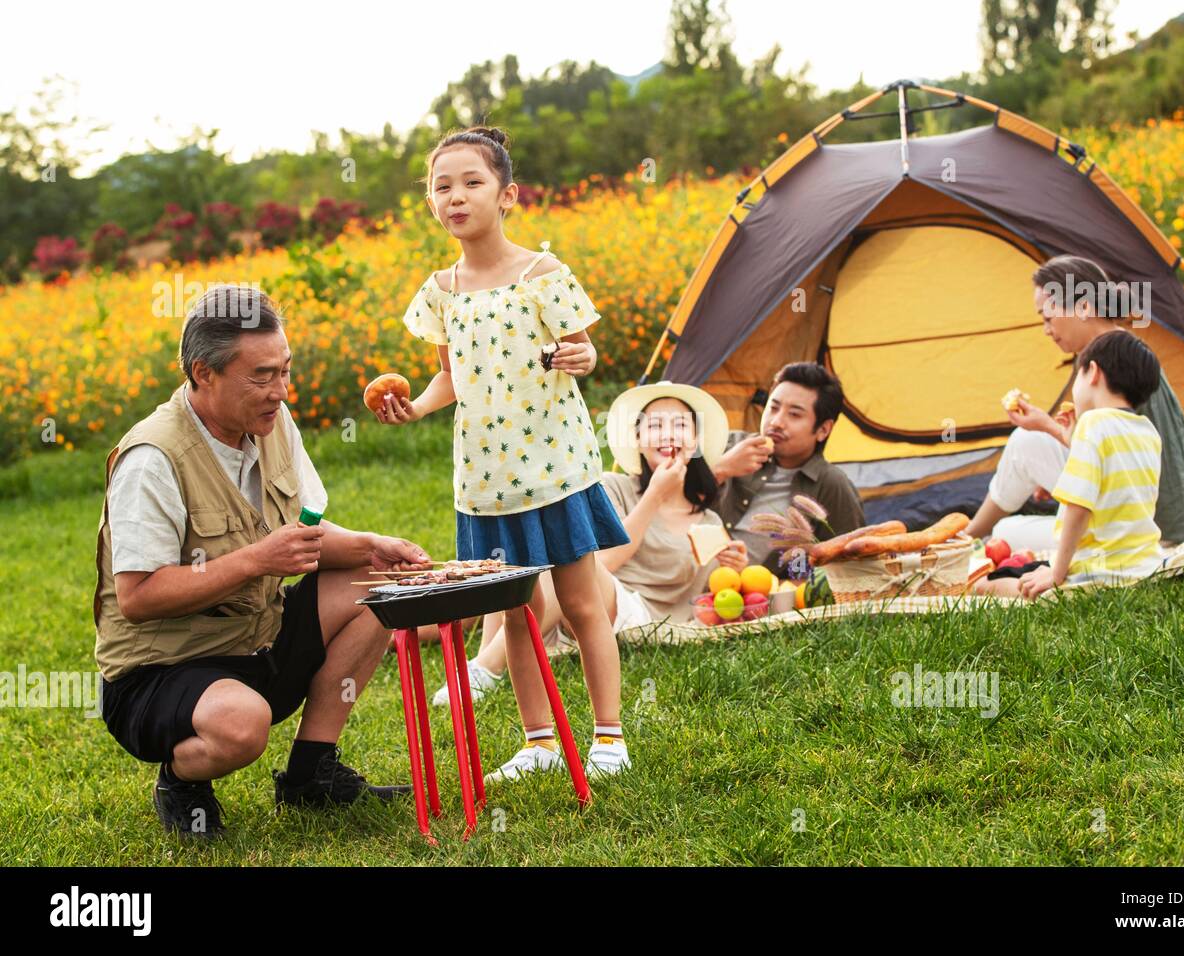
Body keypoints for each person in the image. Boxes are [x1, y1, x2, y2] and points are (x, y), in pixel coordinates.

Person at [95, 285, 429, 839]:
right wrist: (254, 560)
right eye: (262, 376)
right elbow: (137, 597)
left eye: (285, 371)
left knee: (381, 583)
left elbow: (305, 535)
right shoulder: (152, 459)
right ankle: (181, 781)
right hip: (160, 671)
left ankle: (309, 774)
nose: (280, 391)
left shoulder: (272, 421)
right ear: (204, 373)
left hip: (257, 643)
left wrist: (375, 546)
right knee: (242, 725)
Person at [377, 126, 633, 781]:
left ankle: (608, 739)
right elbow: (449, 377)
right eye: (442, 187)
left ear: (507, 194)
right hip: (487, 481)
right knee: (515, 613)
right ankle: (538, 744)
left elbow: (583, 350)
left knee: (579, 606)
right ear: (432, 204)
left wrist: (584, 355)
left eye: (471, 182)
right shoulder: (441, 291)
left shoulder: (543, 274)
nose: (455, 197)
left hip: (557, 471)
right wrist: (416, 407)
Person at [428, 383, 747, 706]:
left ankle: (484, 670)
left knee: (567, 563)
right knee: (530, 557)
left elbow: (706, 601)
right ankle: (484, 664)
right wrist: (653, 498)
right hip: (583, 600)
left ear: (694, 442)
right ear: (637, 439)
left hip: (636, 614)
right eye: (655, 425)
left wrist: (731, 568)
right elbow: (604, 561)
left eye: (680, 425)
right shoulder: (614, 487)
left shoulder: (709, 522)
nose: (668, 435)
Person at [966, 255, 1184, 551]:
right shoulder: (1124, 350)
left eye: (1048, 317)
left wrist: (1048, 426)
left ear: (1084, 308)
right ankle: (968, 535)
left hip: (1152, 525)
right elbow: (1117, 449)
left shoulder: (1106, 369)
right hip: (1169, 508)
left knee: (1006, 531)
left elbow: (1104, 454)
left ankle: (966, 538)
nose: (1046, 329)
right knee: (1027, 442)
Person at [974, 330, 1165, 600]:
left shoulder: (1092, 423)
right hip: (1142, 566)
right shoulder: (1147, 431)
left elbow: (1079, 508)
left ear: (1093, 373)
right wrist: (1067, 438)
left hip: (1100, 571)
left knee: (985, 586)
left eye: (1078, 375)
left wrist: (1056, 571)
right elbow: (1114, 486)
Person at [711, 362, 866, 573]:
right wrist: (720, 470)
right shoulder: (727, 445)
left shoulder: (832, 485)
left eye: (794, 414)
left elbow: (852, 567)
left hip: (759, 600)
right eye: (773, 408)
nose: (776, 422)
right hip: (683, 583)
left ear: (823, 429)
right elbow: (664, 506)